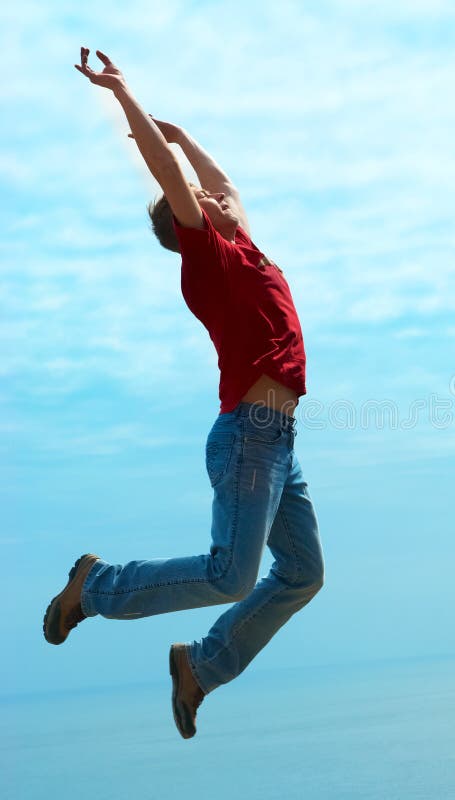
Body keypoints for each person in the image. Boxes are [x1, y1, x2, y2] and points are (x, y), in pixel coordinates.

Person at [43, 48, 325, 740]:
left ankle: (202, 666)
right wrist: (124, 98)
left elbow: (220, 178)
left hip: (277, 442)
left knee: (302, 574)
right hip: (248, 437)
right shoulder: (210, 262)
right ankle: (97, 586)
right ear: (191, 222)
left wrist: (181, 133)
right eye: (205, 202)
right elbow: (175, 181)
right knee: (232, 576)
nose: (221, 197)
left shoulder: (249, 251)